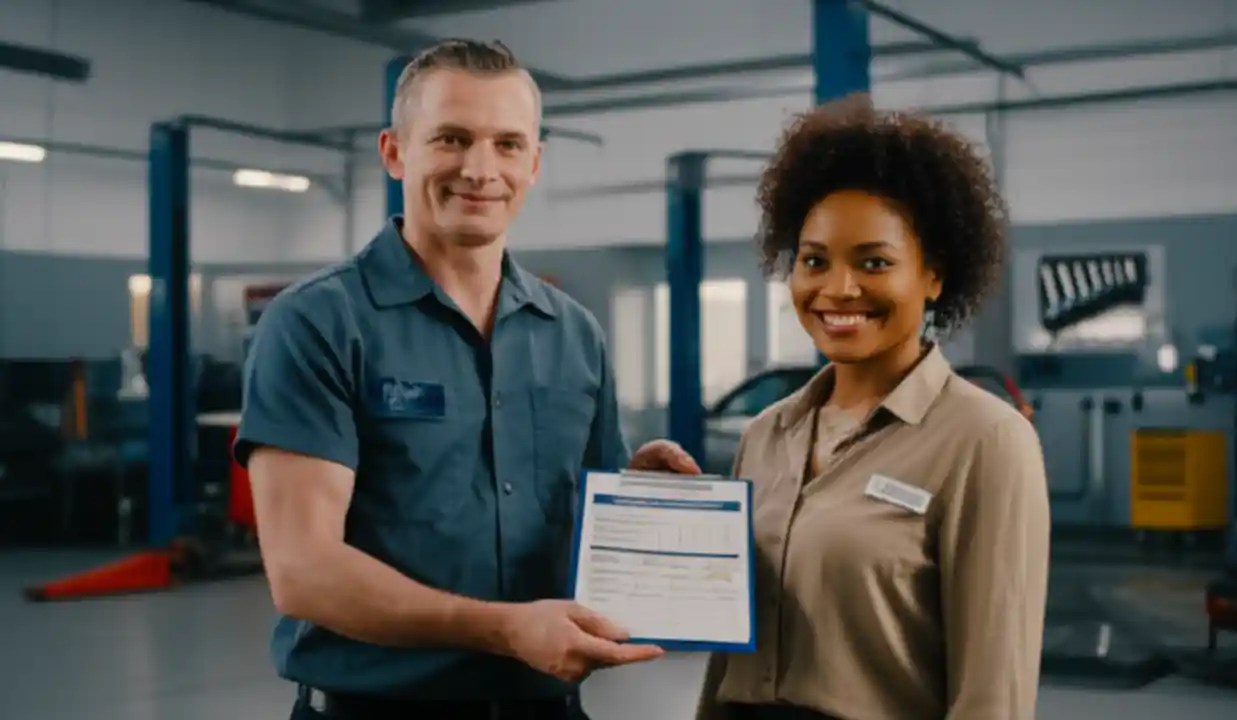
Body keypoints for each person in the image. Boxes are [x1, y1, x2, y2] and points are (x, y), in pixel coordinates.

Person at [234, 39, 700, 720]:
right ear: (395, 152)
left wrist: (637, 503)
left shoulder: (573, 333)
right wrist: (503, 629)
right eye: (452, 138)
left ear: (534, 163)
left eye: (508, 145)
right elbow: (305, 573)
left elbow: (576, 534)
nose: (481, 170)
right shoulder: (319, 322)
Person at [696, 99, 1051, 720]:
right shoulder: (765, 435)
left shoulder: (985, 441)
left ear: (934, 275)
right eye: (814, 261)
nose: (838, 289)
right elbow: (727, 656)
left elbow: (994, 693)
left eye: (874, 262)